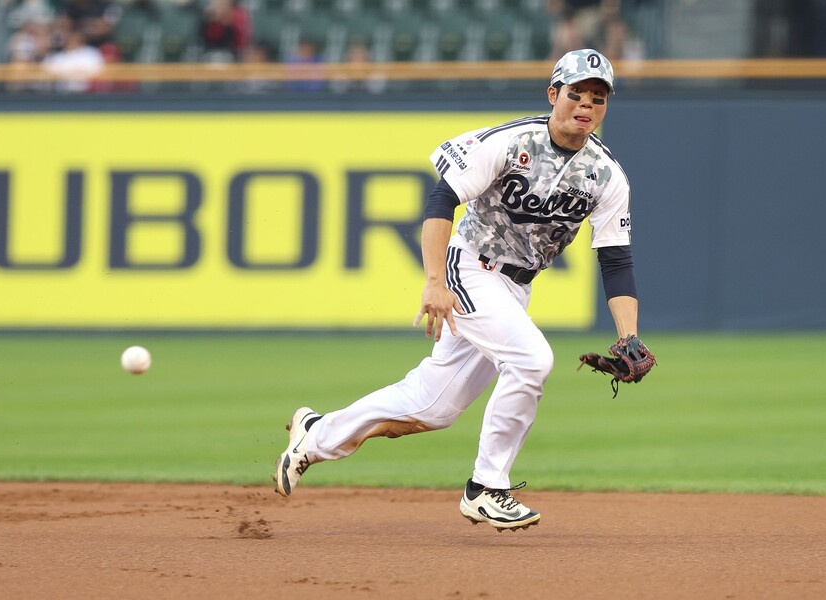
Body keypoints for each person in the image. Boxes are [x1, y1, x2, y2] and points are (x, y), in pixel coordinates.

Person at [273, 48, 645, 531]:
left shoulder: (606, 175)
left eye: (598, 97)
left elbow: (615, 259)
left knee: (431, 406)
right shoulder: (513, 141)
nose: (586, 105)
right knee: (532, 360)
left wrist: (629, 336)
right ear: (554, 94)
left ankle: (316, 435)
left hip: (515, 287)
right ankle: (487, 487)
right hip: (469, 269)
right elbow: (442, 197)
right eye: (576, 93)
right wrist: (434, 282)